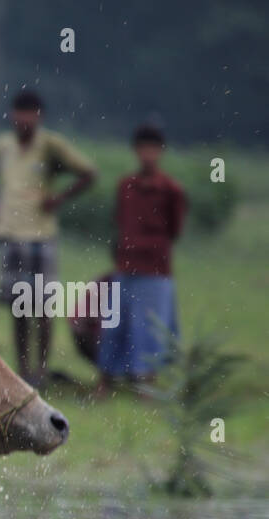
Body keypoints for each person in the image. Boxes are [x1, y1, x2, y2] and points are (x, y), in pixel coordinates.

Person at [0, 89, 96, 385]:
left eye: (29, 113)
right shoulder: (3, 146)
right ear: (12, 115)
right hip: (11, 235)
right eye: (19, 112)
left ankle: (41, 369)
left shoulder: (50, 145)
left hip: (40, 236)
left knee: (42, 307)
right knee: (18, 307)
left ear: (39, 116)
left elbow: (87, 173)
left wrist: (58, 198)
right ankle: (22, 369)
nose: (23, 119)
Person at [95, 125, 186, 397]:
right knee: (114, 324)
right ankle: (105, 382)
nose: (148, 154)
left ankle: (146, 385)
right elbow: (119, 222)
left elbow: (174, 230)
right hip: (125, 265)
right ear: (136, 151)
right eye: (143, 148)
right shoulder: (126, 186)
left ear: (161, 152)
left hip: (155, 269)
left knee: (150, 328)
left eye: (153, 149)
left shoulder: (171, 190)